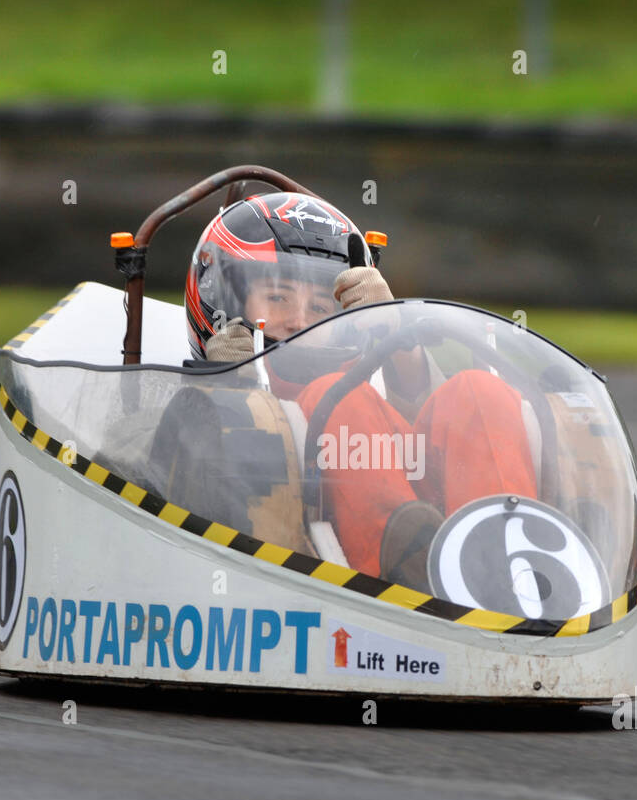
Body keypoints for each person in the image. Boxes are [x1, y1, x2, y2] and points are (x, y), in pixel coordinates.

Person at [185, 192, 536, 588]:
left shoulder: (370, 396)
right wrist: (227, 387)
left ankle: (520, 573)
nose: (300, 320)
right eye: (278, 297)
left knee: (478, 391)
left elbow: (428, 414)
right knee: (337, 398)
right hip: (369, 608)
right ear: (222, 304)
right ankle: (419, 579)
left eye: (320, 308)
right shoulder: (184, 414)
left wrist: (399, 342)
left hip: (485, 599)